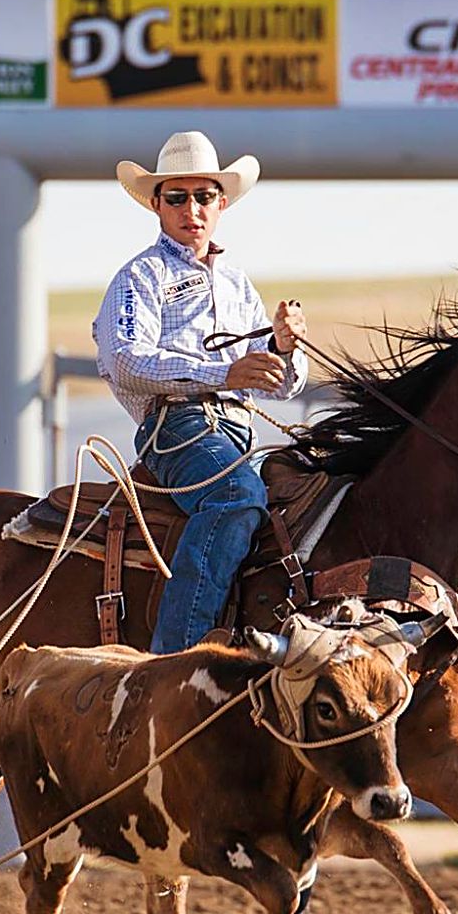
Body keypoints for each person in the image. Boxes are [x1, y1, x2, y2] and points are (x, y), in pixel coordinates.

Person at [92, 131, 308, 653]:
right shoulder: (140, 276)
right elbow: (125, 360)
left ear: (221, 203)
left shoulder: (237, 284)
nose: (192, 209)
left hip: (239, 434)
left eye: (204, 196)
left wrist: (284, 350)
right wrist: (223, 375)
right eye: (177, 197)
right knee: (236, 496)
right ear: (156, 204)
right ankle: (176, 658)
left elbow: (283, 384)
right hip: (177, 429)